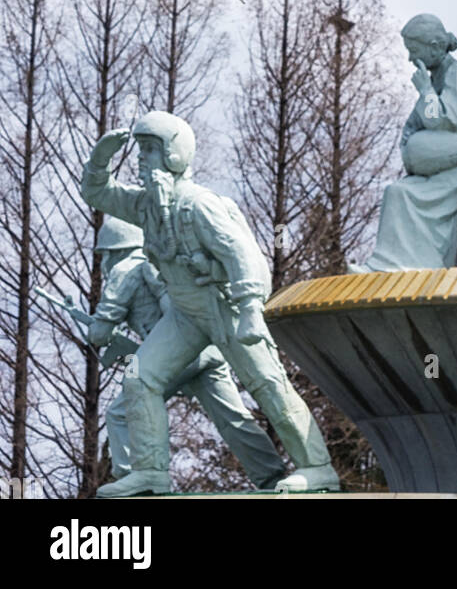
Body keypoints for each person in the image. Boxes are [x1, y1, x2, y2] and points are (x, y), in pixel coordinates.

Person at [81, 110, 339, 498]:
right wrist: (101, 157)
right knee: (139, 377)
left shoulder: (198, 204)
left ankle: (317, 468)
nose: (141, 159)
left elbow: (245, 257)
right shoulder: (144, 206)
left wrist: (250, 309)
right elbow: (96, 193)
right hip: (185, 315)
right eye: (140, 150)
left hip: (225, 308)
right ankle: (151, 472)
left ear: (174, 154)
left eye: (150, 150)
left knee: (266, 383)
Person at [90, 217, 287, 489]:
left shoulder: (125, 270)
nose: (104, 262)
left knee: (119, 413)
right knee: (233, 418)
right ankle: (272, 477)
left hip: (177, 355)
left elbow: (99, 334)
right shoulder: (156, 265)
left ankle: (131, 481)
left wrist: (94, 327)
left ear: (114, 249)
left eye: (104, 255)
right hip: (207, 350)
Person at [359, 14, 457, 271]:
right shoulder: (436, 75)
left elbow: (448, 122)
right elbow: (420, 123)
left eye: (414, 51)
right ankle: (394, 262)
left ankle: (405, 265)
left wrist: (426, 91)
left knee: (414, 194)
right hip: (456, 154)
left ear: (436, 46)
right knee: (397, 191)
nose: (409, 59)